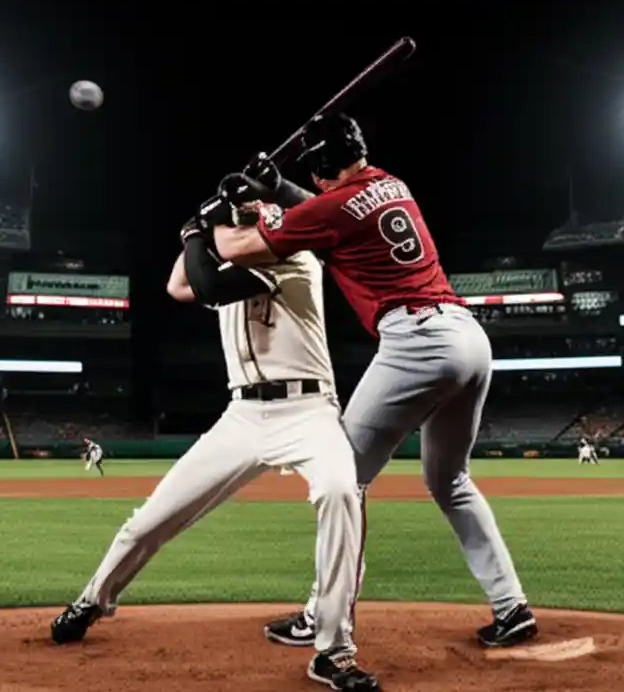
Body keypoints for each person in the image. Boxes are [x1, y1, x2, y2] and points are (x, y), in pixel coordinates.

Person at [210, 113, 536, 649]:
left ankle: (323, 615)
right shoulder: (391, 182)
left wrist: (223, 213)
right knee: (451, 482)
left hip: (417, 341)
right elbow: (326, 206)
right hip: (468, 338)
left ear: (320, 168)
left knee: (343, 477)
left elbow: (246, 248)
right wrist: (275, 188)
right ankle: (511, 605)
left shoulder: (332, 206)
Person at [50, 201, 378, 692]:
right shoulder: (228, 260)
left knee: (340, 492)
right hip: (242, 416)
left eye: (253, 221)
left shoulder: (295, 258)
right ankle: (92, 600)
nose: (245, 228)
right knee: (154, 515)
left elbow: (205, 284)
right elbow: (177, 285)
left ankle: (333, 651)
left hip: (309, 409)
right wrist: (206, 228)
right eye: (240, 221)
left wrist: (193, 230)